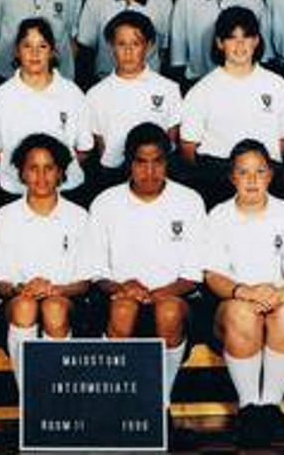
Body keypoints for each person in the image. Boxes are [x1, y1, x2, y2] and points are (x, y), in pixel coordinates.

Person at [87, 122, 209, 446]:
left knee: (168, 312)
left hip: (175, 297)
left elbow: (193, 274)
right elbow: (97, 271)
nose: (150, 170)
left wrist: (157, 294)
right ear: (129, 162)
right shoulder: (105, 203)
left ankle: (159, 410)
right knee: (124, 309)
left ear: (168, 163)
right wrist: (124, 288)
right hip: (119, 297)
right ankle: (122, 412)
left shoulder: (190, 201)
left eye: (158, 161)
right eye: (141, 161)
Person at [203, 140, 284, 447]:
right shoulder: (218, 216)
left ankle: (271, 408)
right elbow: (213, 275)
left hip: (277, 300)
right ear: (232, 177)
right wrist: (245, 292)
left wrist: (283, 294)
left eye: (259, 171)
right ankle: (249, 407)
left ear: (270, 175)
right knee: (242, 313)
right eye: (243, 172)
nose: (252, 180)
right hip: (235, 303)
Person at [0, 134, 95, 389]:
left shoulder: (79, 217)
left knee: (53, 307)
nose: (41, 177)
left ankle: (58, 396)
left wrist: (55, 290)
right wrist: (24, 290)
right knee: (25, 306)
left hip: (69, 304)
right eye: (32, 168)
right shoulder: (5, 217)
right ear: (21, 173)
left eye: (49, 168)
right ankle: (31, 400)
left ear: (61, 173)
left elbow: (85, 283)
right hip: (14, 304)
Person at [179, 6, 284, 208]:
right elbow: (189, 148)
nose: (240, 45)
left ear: (256, 41)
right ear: (220, 43)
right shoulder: (201, 90)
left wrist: (256, 170)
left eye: (246, 37)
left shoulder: (276, 84)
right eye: (232, 38)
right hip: (218, 179)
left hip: (266, 179)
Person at [0, 17, 93, 204]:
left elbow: (84, 149)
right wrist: (19, 172)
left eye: (42, 46)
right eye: (27, 46)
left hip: (66, 190)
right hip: (15, 191)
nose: (34, 53)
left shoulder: (72, 93)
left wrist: (55, 174)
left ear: (52, 51)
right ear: (17, 51)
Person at [85, 11, 182, 194]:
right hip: (112, 176)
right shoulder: (95, 94)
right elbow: (100, 145)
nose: (128, 51)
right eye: (121, 44)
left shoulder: (169, 89)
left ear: (149, 46)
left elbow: (171, 138)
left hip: (155, 175)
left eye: (136, 44)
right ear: (111, 46)